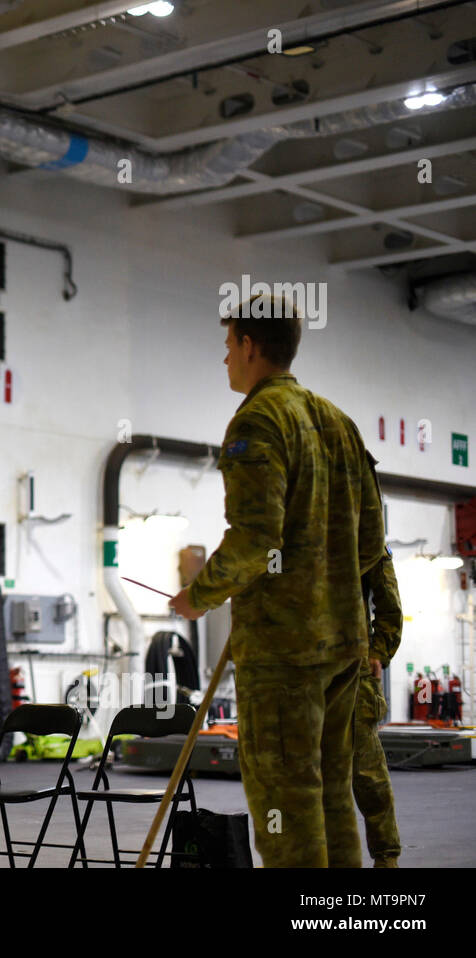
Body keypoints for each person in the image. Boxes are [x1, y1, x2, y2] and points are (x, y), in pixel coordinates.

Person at [170, 294, 386, 868]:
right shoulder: (340, 424)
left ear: (249, 345)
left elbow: (254, 541)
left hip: (285, 657)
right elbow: (371, 546)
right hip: (343, 648)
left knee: (286, 810)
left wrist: (198, 596)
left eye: (227, 346)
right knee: (334, 799)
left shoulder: (260, 420)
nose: (224, 361)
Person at [355, 543, 403, 867]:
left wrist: (379, 650)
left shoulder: (362, 533)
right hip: (298, 676)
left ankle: (386, 858)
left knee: (368, 773)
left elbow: (388, 601)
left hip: (350, 672)